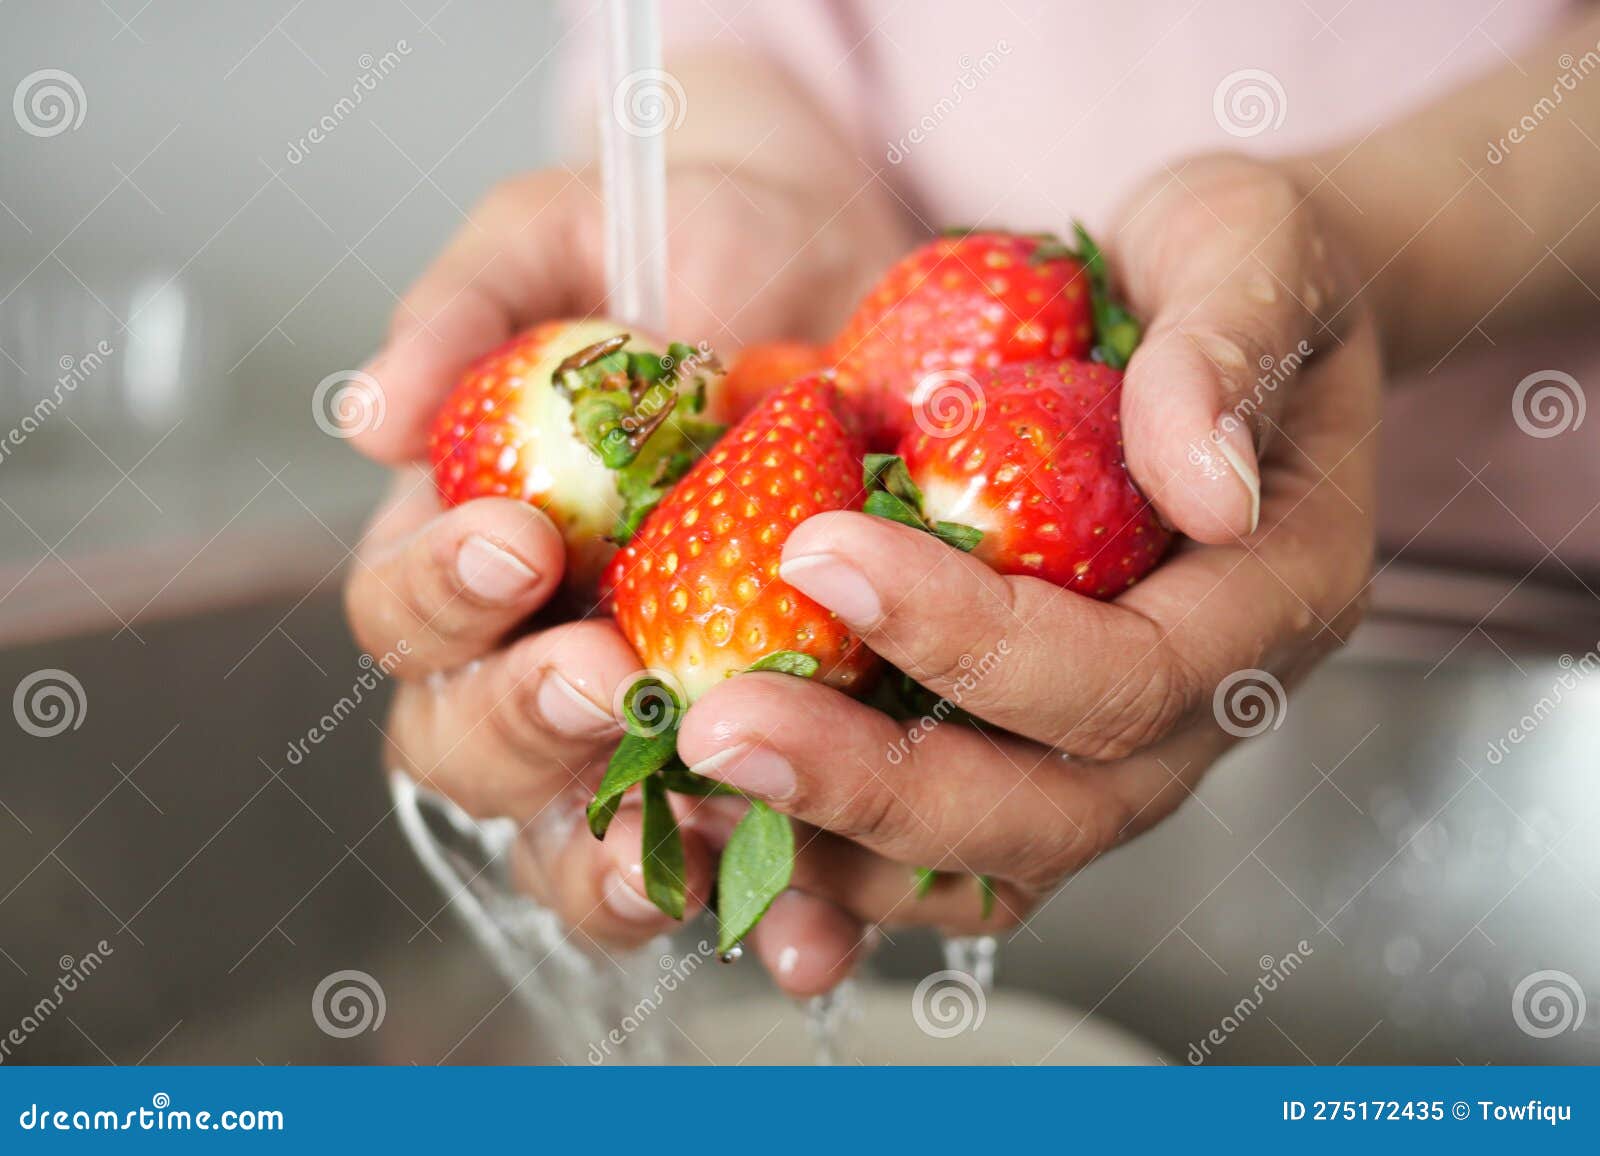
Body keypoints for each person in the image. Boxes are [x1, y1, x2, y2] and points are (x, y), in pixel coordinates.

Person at [342, 1, 1600, 996]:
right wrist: (724, 158)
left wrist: (1364, 246)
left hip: (1534, 620)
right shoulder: (802, 430)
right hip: (1015, 518)